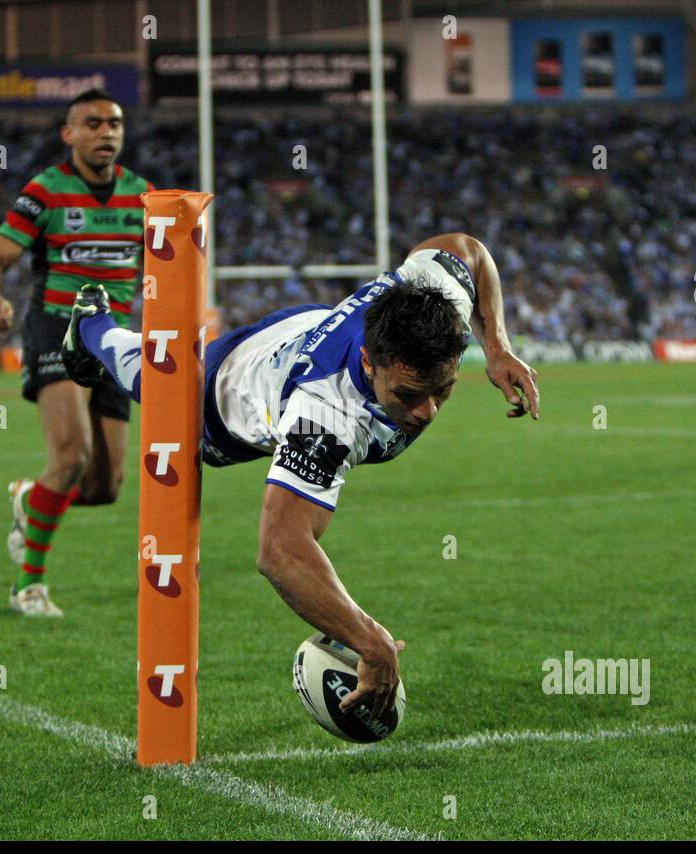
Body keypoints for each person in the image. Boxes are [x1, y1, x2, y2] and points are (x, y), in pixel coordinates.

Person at [62, 233, 540, 718]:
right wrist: (369, 641)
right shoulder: (326, 416)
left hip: (305, 328)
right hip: (229, 393)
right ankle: (91, 326)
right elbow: (280, 552)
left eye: (444, 390)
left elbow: (466, 248)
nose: (427, 411)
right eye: (409, 395)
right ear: (370, 363)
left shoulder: (431, 293)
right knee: (157, 382)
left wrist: (497, 345)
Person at [0, 88, 153, 617]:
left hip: (115, 340)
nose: (106, 133)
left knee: (105, 487)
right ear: (69, 134)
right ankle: (28, 585)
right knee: (71, 456)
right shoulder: (46, 191)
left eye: (114, 123)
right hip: (58, 327)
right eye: (93, 123)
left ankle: (33, 499)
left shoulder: (142, 196)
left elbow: (172, 262)